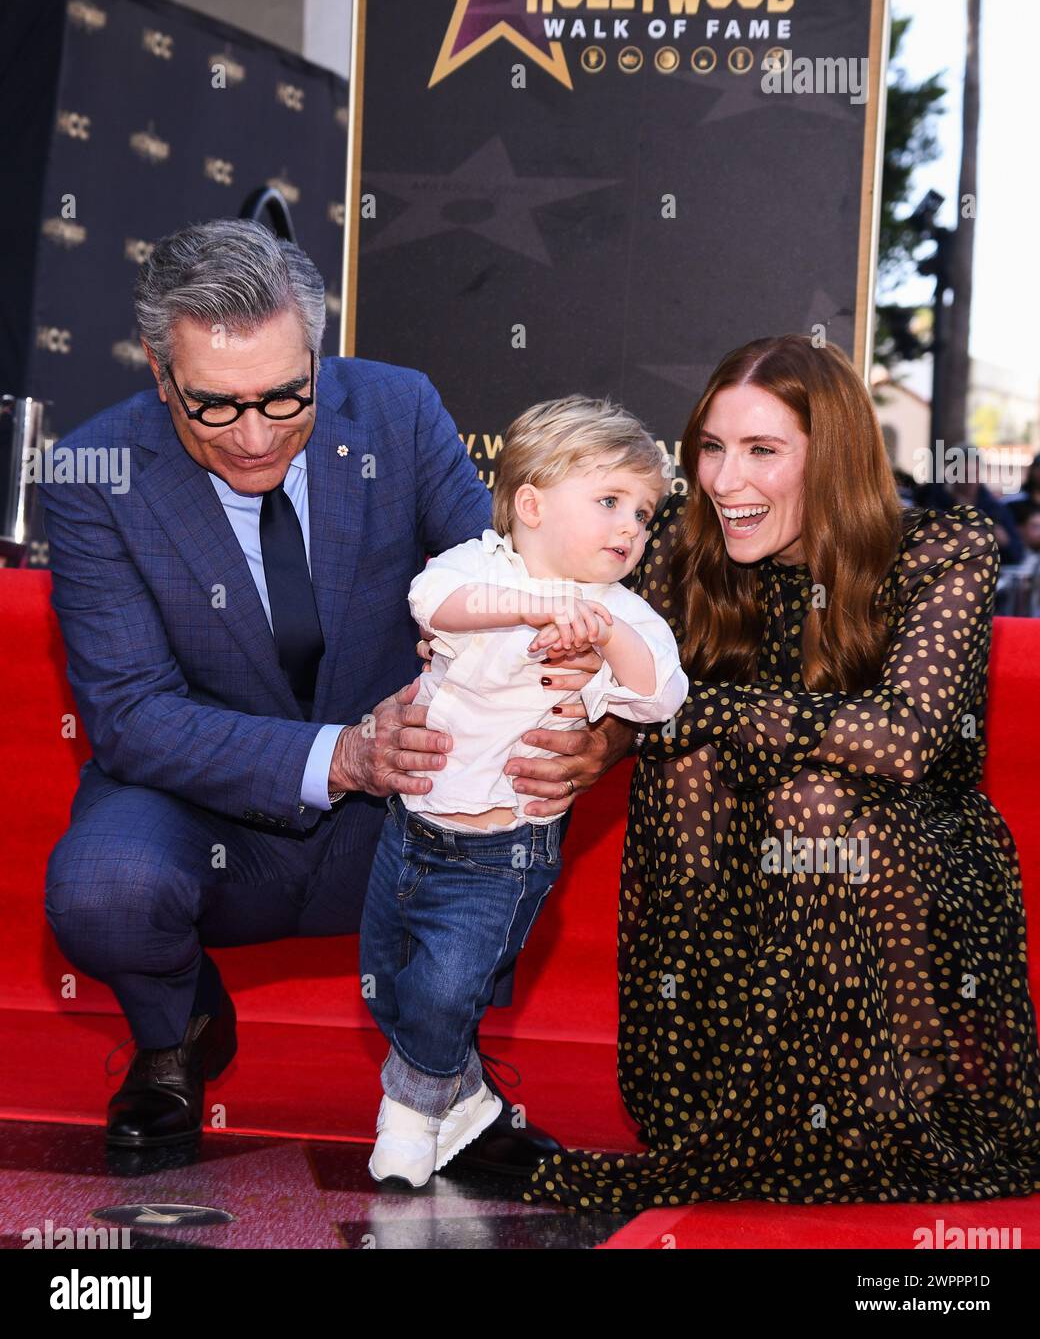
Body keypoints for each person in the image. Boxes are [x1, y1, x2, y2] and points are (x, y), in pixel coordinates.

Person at [38, 218, 586, 1165]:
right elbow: (129, 717)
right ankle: (177, 1039)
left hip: (399, 804)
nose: (254, 437)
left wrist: (575, 668)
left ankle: (443, 1072)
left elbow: (511, 574)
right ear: (158, 370)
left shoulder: (398, 410)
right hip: (201, 806)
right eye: (213, 405)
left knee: (526, 769)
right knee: (101, 889)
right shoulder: (96, 474)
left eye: (285, 396)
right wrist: (334, 754)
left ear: (318, 351)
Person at [518, 334, 1040, 1213]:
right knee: (688, 770)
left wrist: (689, 712)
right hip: (735, 861)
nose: (726, 481)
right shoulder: (685, 557)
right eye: (713, 449)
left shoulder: (941, 549)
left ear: (831, 455)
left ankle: (881, 1110)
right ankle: (706, 1101)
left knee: (816, 796)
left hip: (906, 873)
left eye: (763, 450)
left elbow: (903, 738)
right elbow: (603, 671)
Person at [362, 397, 688, 1186]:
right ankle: (465, 1100)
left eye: (643, 514)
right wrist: (544, 604)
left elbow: (660, 697)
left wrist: (603, 635)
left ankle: (408, 1114)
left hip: (505, 848)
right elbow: (431, 603)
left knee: (446, 989)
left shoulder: (622, 614)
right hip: (409, 829)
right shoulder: (479, 570)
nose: (629, 529)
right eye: (609, 502)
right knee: (391, 986)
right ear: (533, 505)